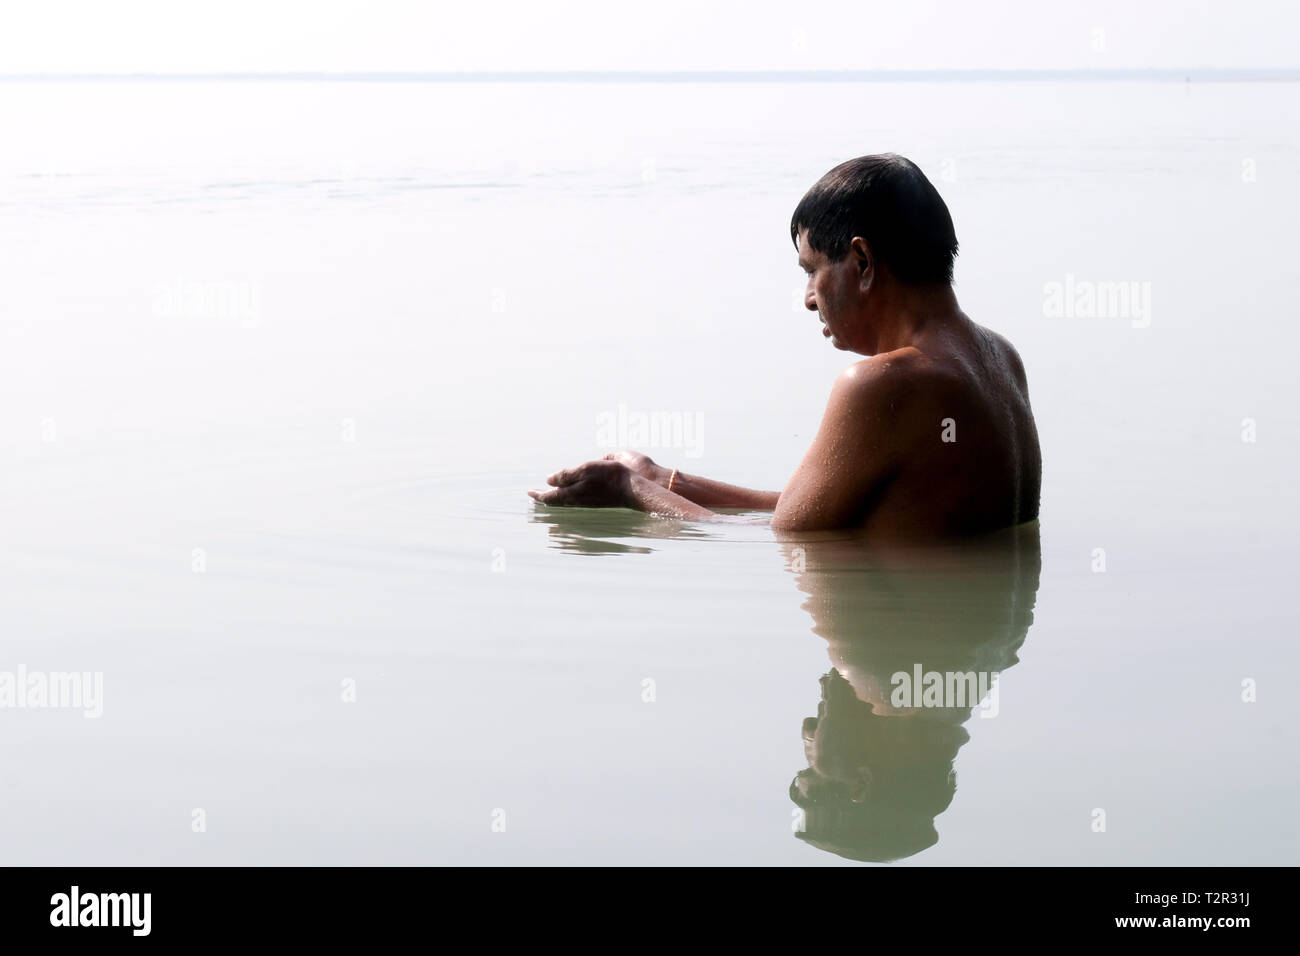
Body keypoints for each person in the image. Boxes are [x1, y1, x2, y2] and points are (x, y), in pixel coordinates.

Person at [529, 153, 1041, 539]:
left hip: (891, 680)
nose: (809, 300)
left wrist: (629, 493)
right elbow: (813, 510)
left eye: (813, 270)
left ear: (861, 263)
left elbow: (789, 546)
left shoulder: (882, 386)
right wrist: (663, 478)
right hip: (959, 674)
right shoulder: (1000, 359)